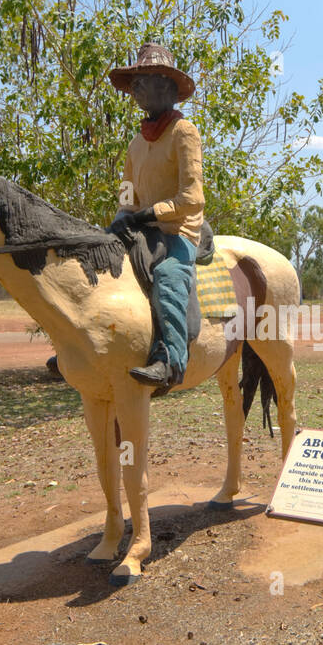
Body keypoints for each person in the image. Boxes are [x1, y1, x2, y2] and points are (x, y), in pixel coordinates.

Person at [108, 43, 204, 390]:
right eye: (132, 83)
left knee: (168, 276)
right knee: (99, 261)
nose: (134, 89)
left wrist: (149, 213)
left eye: (142, 81)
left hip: (178, 231)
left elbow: (192, 197)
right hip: (140, 229)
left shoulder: (184, 133)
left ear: (165, 86)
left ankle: (170, 361)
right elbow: (127, 190)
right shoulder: (136, 142)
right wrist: (123, 214)